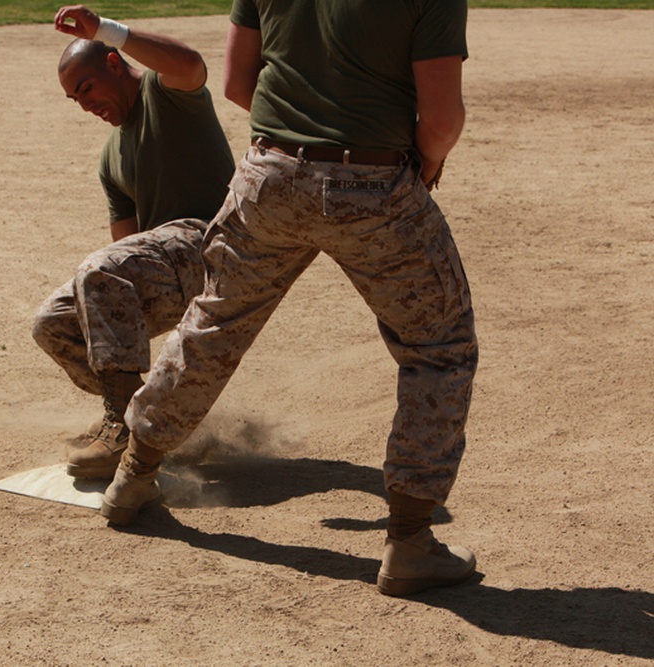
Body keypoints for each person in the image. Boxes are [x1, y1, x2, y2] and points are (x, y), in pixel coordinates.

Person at [103, 0, 480, 597]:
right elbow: (439, 119)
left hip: (268, 176)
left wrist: (302, 133)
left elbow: (237, 83)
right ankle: (410, 541)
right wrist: (425, 162)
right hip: (374, 182)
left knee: (213, 323)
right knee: (440, 346)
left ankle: (133, 475)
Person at [32, 5, 235, 480]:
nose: (84, 105)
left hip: (212, 246)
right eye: (74, 99)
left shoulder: (166, 94)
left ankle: (123, 432)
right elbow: (130, 247)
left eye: (86, 88)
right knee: (52, 323)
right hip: (167, 265)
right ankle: (132, 414)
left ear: (113, 63)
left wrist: (107, 30)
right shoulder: (111, 160)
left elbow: (190, 64)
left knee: (99, 270)